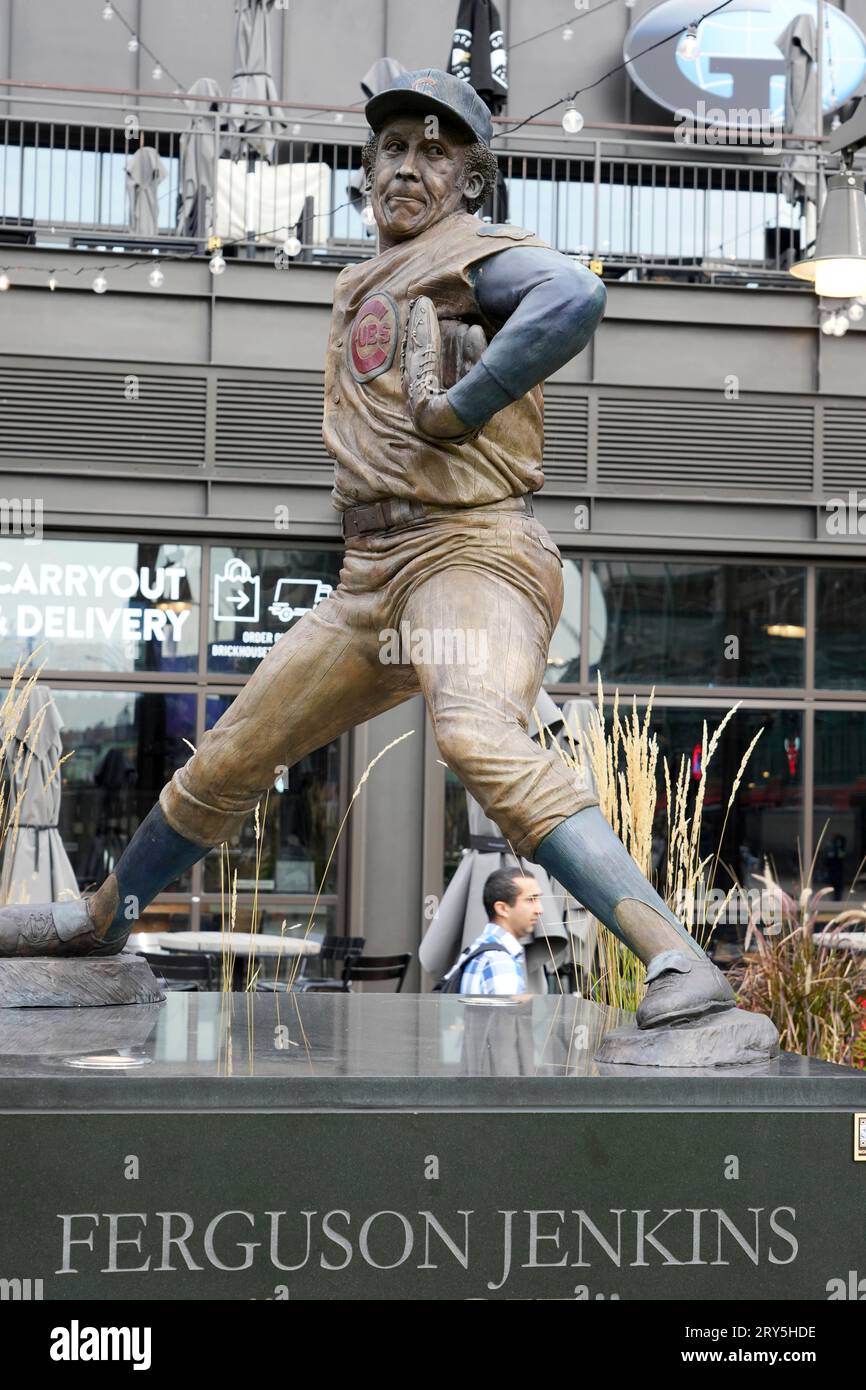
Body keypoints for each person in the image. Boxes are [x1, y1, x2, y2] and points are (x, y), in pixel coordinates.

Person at [0, 68, 739, 1036]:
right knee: (228, 757)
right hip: (369, 579)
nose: (405, 167)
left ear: (469, 182)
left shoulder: (477, 251)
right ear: (364, 170)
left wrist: (457, 406)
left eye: (433, 152)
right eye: (390, 149)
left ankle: (677, 960)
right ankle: (103, 923)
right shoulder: (362, 280)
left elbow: (571, 296)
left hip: (469, 551)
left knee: (474, 733)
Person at [453, 867, 541, 996]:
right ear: (502, 909)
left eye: (539, 899)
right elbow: (505, 1016)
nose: (539, 909)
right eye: (530, 900)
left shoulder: (477, 950)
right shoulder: (500, 961)